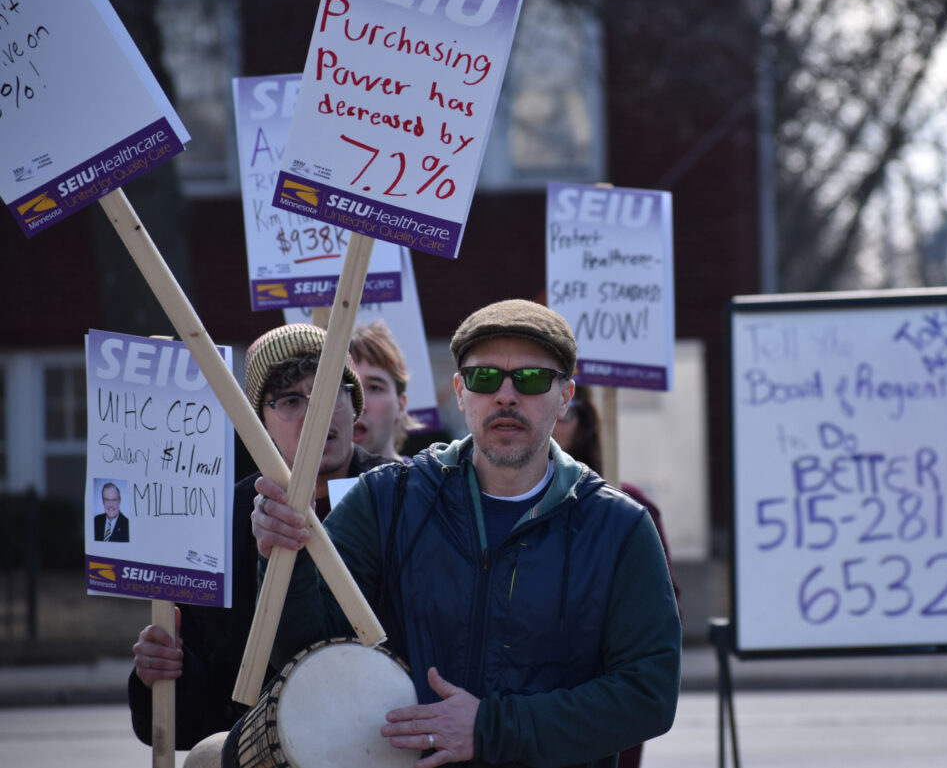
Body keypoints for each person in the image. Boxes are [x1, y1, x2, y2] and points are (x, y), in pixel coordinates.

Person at [247, 299, 682, 768]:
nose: (506, 396)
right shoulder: (386, 500)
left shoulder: (620, 528)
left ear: (566, 394)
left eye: (532, 379)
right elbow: (306, 653)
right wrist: (282, 559)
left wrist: (492, 728)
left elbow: (647, 695)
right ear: (460, 390)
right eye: (485, 378)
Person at [127, 322, 390, 751]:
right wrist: (166, 670)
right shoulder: (216, 522)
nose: (316, 411)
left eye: (331, 389)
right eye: (290, 400)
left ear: (354, 405)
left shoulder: (400, 495)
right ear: (260, 422)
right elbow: (194, 722)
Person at [551, 384, 683, 768]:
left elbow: (662, 620)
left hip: (603, 714)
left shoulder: (629, 509)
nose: (549, 421)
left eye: (565, 411)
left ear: (588, 422)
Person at [348, 319, 424, 462]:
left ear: (401, 405)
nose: (358, 404)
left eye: (375, 388)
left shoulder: (425, 483)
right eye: (347, 387)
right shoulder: (302, 484)